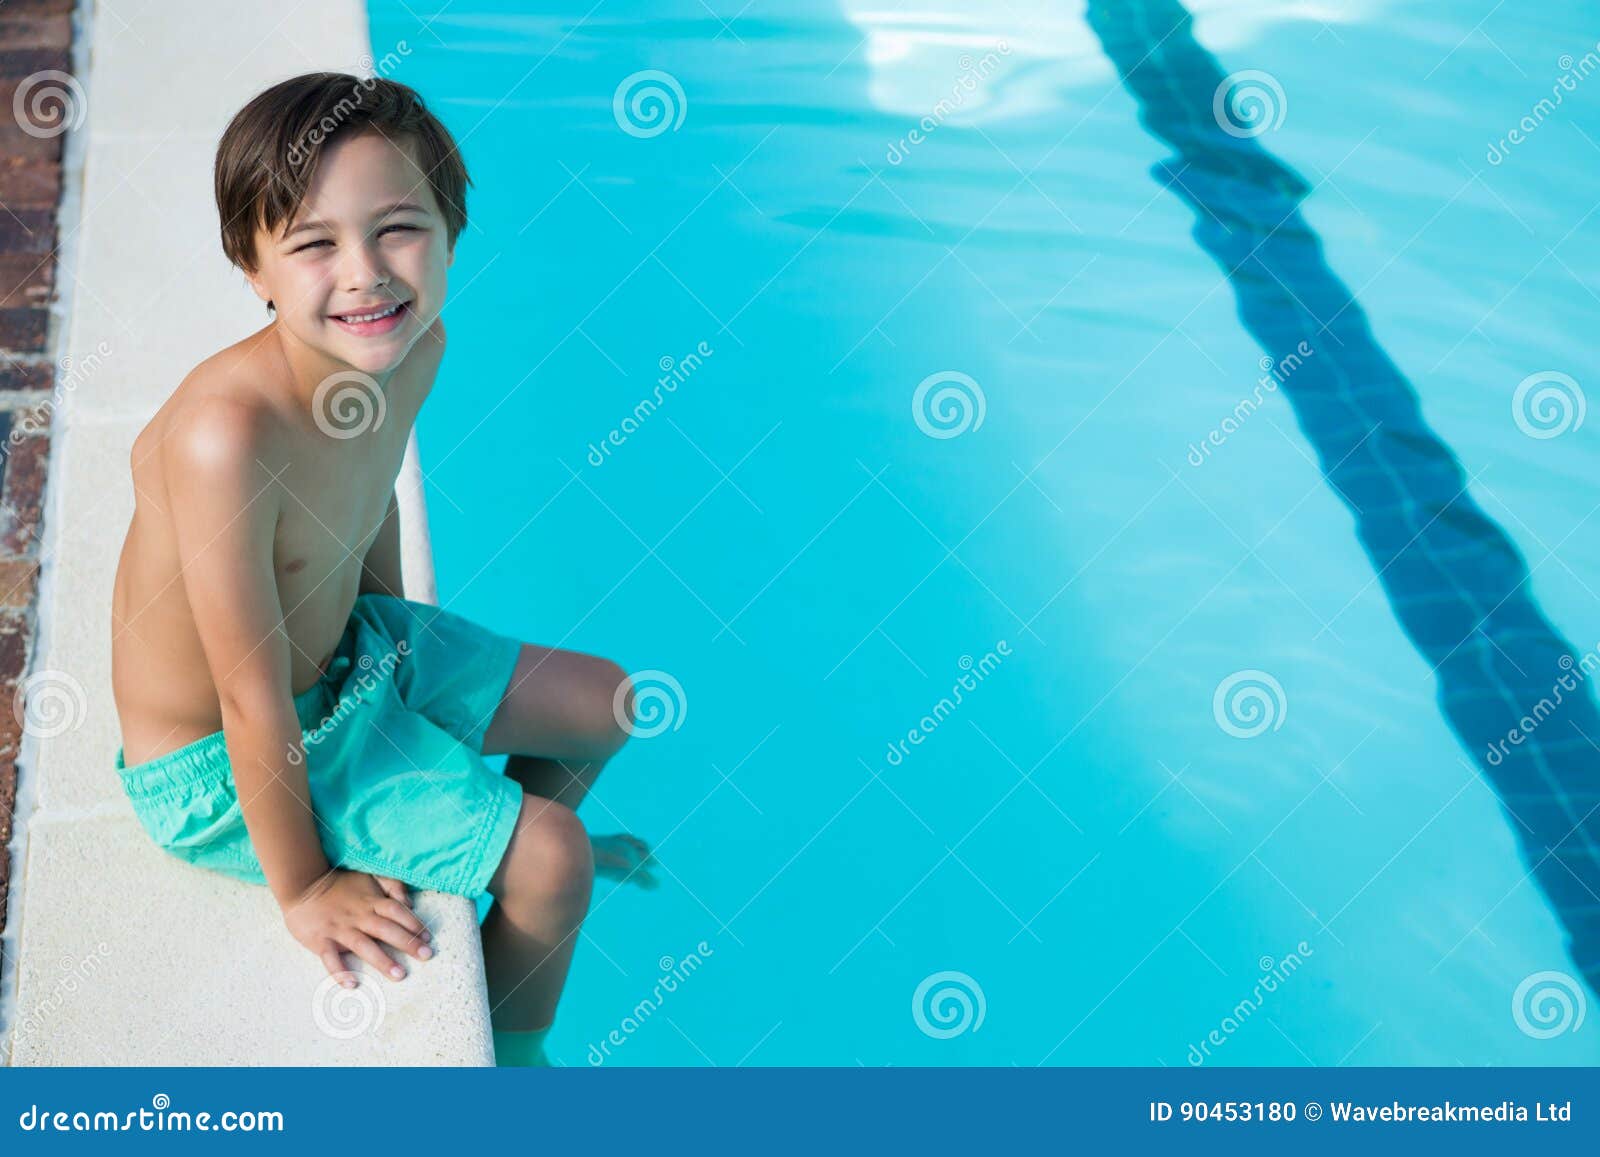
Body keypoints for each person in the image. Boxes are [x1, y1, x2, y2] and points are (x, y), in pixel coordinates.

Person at [109, 72, 656, 1067]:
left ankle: (477, 851)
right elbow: (248, 697)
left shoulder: (413, 347)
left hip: (347, 658)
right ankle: (512, 1061)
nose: (364, 273)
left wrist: (403, 656)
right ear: (252, 265)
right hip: (224, 762)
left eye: (399, 229)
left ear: (451, 234)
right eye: (315, 244)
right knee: (557, 859)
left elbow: (371, 496)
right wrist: (308, 887)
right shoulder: (225, 438)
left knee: (606, 701)